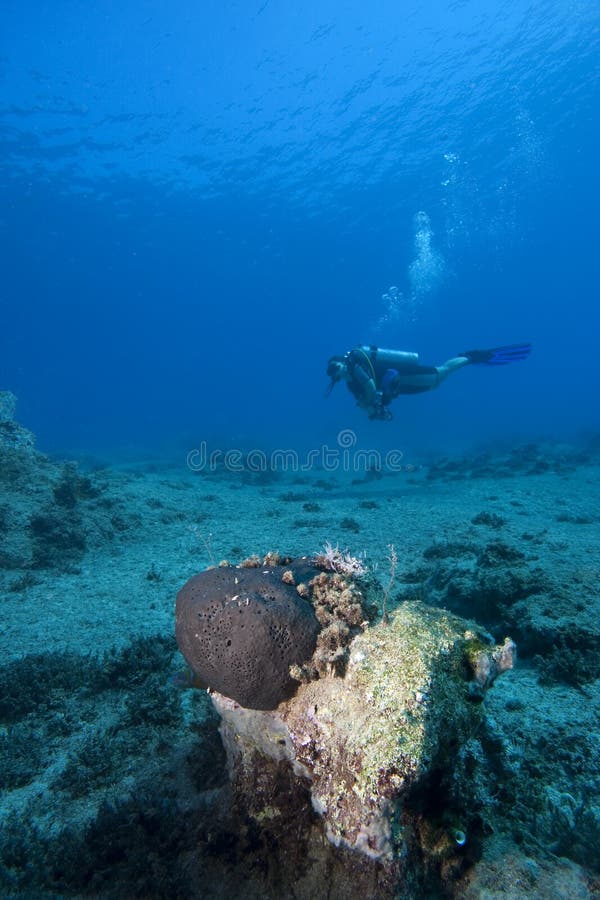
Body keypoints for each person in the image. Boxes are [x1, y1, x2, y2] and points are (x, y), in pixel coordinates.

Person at [325, 343, 532, 420]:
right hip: (400, 383)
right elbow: (366, 398)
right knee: (435, 382)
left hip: (406, 375)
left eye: (335, 368)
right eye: (332, 374)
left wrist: (370, 400)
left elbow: (370, 387)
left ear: (341, 363)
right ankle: (468, 357)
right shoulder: (350, 381)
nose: (336, 374)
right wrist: (370, 409)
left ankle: (470, 356)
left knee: (438, 375)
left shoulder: (355, 366)